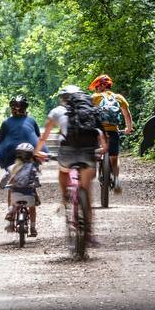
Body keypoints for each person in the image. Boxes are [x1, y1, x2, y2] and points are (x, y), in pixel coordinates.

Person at [35, 85, 106, 243]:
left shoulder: (56, 111)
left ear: (63, 98)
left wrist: (36, 152)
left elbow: (43, 137)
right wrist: (102, 149)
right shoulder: (89, 109)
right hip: (88, 153)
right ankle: (88, 233)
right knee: (86, 192)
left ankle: (65, 197)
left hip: (67, 153)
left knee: (63, 170)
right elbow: (101, 135)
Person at [89, 74, 134, 191]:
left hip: (98, 132)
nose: (96, 89)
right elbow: (126, 114)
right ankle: (117, 179)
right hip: (113, 131)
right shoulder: (118, 97)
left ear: (101, 86)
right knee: (114, 157)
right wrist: (128, 128)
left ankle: (96, 163)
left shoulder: (95, 97)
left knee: (94, 151)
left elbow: (87, 113)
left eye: (97, 86)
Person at [0, 96, 40, 189]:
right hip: (30, 151)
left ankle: (10, 174)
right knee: (34, 166)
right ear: (26, 109)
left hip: (10, 153)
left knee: (11, 175)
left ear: (11, 109)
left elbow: (0, 142)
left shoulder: (6, 122)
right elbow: (38, 137)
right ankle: (34, 175)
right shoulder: (32, 120)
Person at [2, 142, 42, 237]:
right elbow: (36, 181)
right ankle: (32, 228)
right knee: (32, 208)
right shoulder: (33, 167)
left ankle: (11, 219)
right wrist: (36, 185)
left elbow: (5, 178)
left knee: (11, 193)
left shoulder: (12, 167)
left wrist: (2, 185)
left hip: (15, 197)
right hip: (29, 198)